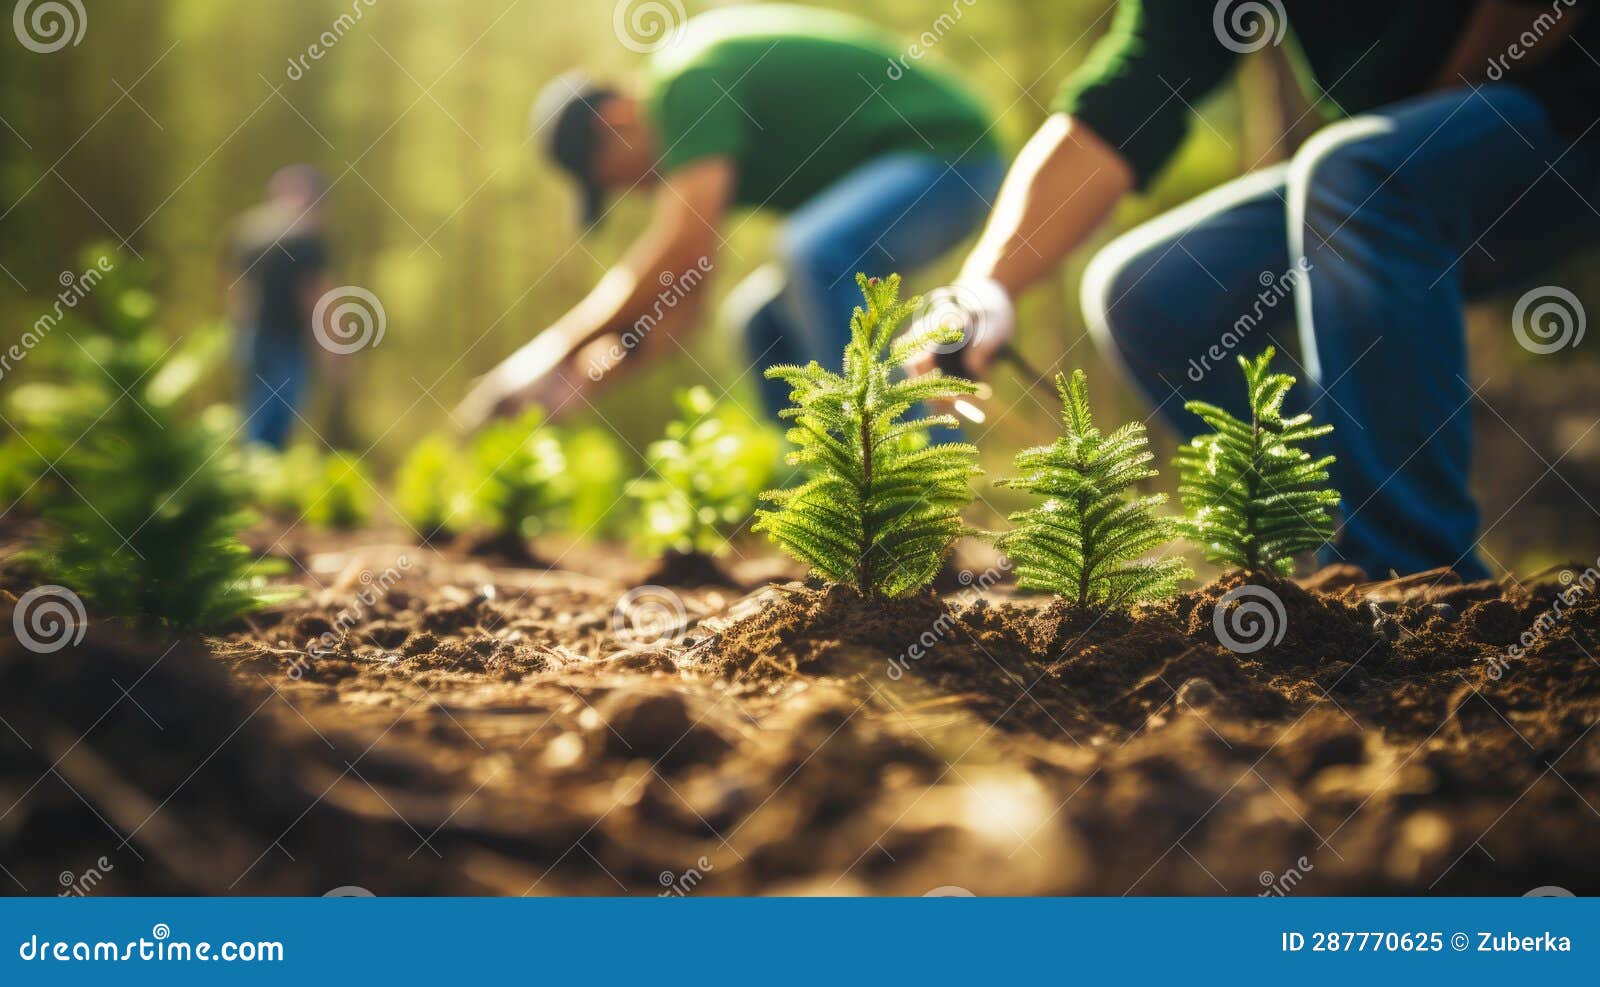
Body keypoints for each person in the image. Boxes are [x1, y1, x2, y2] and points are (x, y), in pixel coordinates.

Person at [907, 0, 1600, 580]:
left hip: (1567, 114)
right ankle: (1331, 553)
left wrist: (1415, 154)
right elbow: (1126, 95)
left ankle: (1417, 577)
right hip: (1377, 168)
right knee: (1149, 291)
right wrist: (984, 288)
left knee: (1352, 175)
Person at [456, 4, 1004, 427]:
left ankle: (907, 479)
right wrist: (579, 379)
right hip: (904, 176)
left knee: (811, 250)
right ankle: (821, 497)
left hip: (952, 154)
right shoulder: (691, 118)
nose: (635, 192)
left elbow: (682, 247)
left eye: (617, 178)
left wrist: (548, 353)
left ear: (617, 119)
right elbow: (684, 301)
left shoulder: (686, 81)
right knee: (756, 320)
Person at [226, 165, 340, 449]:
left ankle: (248, 466)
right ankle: (262, 469)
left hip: (251, 336)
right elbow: (316, 297)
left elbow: (235, 290)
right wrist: (332, 347)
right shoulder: (308, 239)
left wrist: (238, 332)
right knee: (279, 416)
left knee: (255, 409)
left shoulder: (249, 232)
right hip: (288, 341)